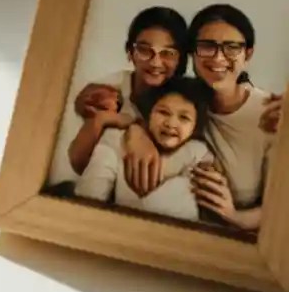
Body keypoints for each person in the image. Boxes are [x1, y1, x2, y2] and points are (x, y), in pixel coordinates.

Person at [123, 4, 278, 232]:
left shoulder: (271, 115)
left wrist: (234, 216)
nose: (218, 57)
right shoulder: (183, 97)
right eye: (207, 46)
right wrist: (136, 131)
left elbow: (280, 207)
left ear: (248, 54)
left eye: (232, 47)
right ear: (193, 53)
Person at [66, 6, 189, 175]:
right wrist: (101, 119)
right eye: (145, 50)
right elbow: (78, 163)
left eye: (168, 53)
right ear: (130, 52)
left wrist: (136, 128)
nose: (155, 62)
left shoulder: (187, 99)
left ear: (181, 59)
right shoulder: (107, 91)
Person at [75, 77, 214, 221]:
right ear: (148, 115)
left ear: (195, 127)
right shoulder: (116, 140)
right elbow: (87, 199)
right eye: (163, 112)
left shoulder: (199, 154)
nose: (171, 123)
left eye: (184, 118)